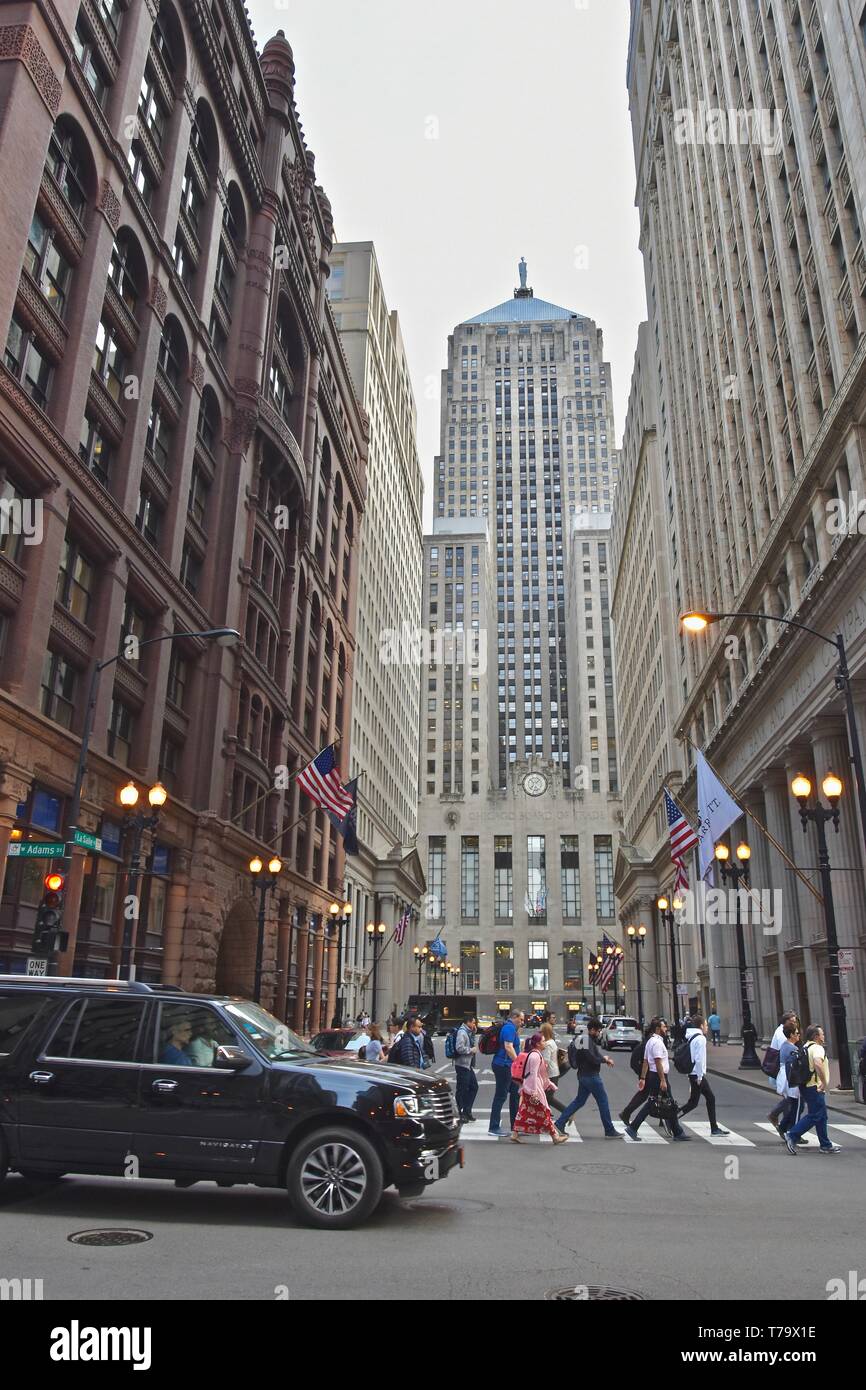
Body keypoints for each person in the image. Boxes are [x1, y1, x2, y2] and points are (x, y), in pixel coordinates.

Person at [624, 1017, 690, 1142]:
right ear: (658, 1029)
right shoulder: (657, 1043)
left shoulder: (650, 1041)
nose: (666, 1029)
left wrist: (643, 1078)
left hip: (654, 1076)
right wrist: (663, 1080)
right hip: (659, 1076)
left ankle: (677, 1131)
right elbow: (657, 1061)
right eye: (664, 1027)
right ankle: (633, 1127)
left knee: (665, 1103)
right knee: (659, 1103)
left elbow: (645, 1061)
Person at [555, 1017, 620, 1138]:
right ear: (592, 1030)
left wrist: (603, 1058)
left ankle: (560, 1123)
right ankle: (609, 1130)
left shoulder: (582, 1039)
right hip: (591, 1076)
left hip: (583, 1075)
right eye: (598, 1031)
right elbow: (592, 1058)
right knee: (603, 1101)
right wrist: (604, 1060)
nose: (599, 1033)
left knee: (579, 1101)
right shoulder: (587, 1040)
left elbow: (592, 1055)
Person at [784, 1024, 842, 1154]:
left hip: (805, 1085)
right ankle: (792, 1135)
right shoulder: (817, 1048)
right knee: (816, 1115)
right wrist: (824, 1082)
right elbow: (817, 1063)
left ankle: (825, 1144)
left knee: (821, 1116)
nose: (823, 1036)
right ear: (816, 1036)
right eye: (822, 1034)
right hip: (815, 1086)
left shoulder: (805, 1046)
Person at [510, 1033, 568, 1145]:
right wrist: (534, 1092)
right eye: (542, 1041)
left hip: (529, 1087)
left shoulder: (535, 1054)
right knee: (544, 1111)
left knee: (524, 1111)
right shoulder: (535, 1056)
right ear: (537, 1044)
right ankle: (555, 1136)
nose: (544, 1043)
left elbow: (539, 1074)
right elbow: (533, 1075)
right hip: (533, 1088)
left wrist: (548, 1083)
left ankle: (515, 1134)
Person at [676, 1013, 729, 1135]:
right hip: (697, 1074)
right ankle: (714, 1128)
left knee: (693, 1102)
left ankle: (672, 1118)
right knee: (710, 1098)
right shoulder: (700, 1039)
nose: (707, 1027)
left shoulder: (692, 1036)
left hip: (693, 1073)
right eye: (705, 1025)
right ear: (700, 1026)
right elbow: (699, 1059)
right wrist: (700, 1076)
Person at [488, 1009, 524, 1136]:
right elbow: (508, 1047)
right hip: (503, 1066)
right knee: (501, 1095)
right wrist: (518, 1062)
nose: (522, 1022)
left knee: (515, 1094)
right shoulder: (509, 1028)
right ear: (514, 1017)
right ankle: (493, 1127)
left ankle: (516, 1126)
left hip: (508, 1065)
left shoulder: (511, 1028)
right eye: (521, 1019)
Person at [767, 1010, 800, 1133]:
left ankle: (785, 1126)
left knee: (790, 1100)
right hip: (784, 1072)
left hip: (784, 1071)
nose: (795, 1023)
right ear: (786, 1023)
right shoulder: (782, 1034)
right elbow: (786, 1055)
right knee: (791, 1100)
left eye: (795, 1021)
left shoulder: (782, 1032)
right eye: (792, 1021)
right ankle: (786, 1127)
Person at [775, 1019, 805, 1142]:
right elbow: (796, 1066)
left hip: (786, 1078)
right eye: (797, 1033)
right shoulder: (791, 1048)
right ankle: (794, 1133)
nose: (798, 1035)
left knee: (794, 1106)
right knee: (798, 1106)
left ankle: (783, 1127)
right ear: (791, 1035)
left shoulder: (785, 1046)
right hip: (791, 1079)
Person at [453, 1014, 479, 1121]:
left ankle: (467, 1111)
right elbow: (459, 1048)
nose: (474, 1024)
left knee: (474, 1087)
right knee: (462, 1090)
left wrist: (473, 1031)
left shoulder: (467, 1031)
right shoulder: (462, 1032)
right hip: (462, 1064)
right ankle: (459, 1113)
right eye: (473, 1022)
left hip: (467, 1065)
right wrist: (470, 1050)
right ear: (468, 1022)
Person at [539, 1023, 566, 1115]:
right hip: (553, 1073)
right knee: (546, 1097)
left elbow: (545, 1061)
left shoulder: (547, 1045)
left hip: (550, 1074)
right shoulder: (552, 1042)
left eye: (541, 1032)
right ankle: (546, 1115)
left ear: (545, 1032)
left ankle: (567, 1112)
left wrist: (540, 1073)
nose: (539, 1034)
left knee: (548, 1098)